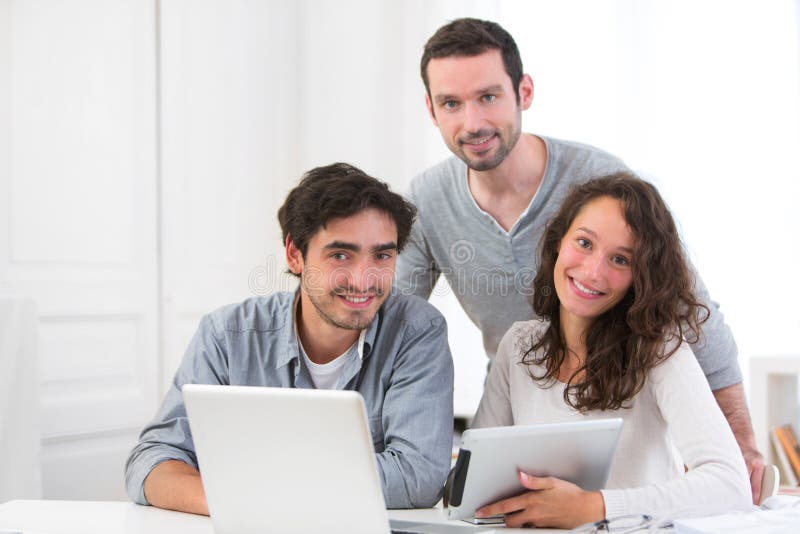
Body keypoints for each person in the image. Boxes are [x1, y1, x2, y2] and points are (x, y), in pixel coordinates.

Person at [395, 17, 764, 501]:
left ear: (523, 91)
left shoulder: (598, 178)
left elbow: (690, 308)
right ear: (431, 109)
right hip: (522, 402)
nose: (474, 122)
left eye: (488, 97)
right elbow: (397, 324)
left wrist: (739, 441)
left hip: (621, 397)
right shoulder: (426, 200)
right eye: (451, 103)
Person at [125, 163, 454, 514]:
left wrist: (257, 484)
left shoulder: (416, 330)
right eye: (340, 255)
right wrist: (243, 505)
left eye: (382, 255)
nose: (363, 280)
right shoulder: (227, 335)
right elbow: (152, 461)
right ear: (295, 254)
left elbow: (418, 478)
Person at [470, 174, 752, 529]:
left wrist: (597, 506)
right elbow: (473, 480)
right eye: (584, 243)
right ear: (559, 241)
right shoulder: (519, 345)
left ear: (642, 276)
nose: (593, 272)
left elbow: (730, 484)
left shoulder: (659, 349)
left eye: (620, 260)